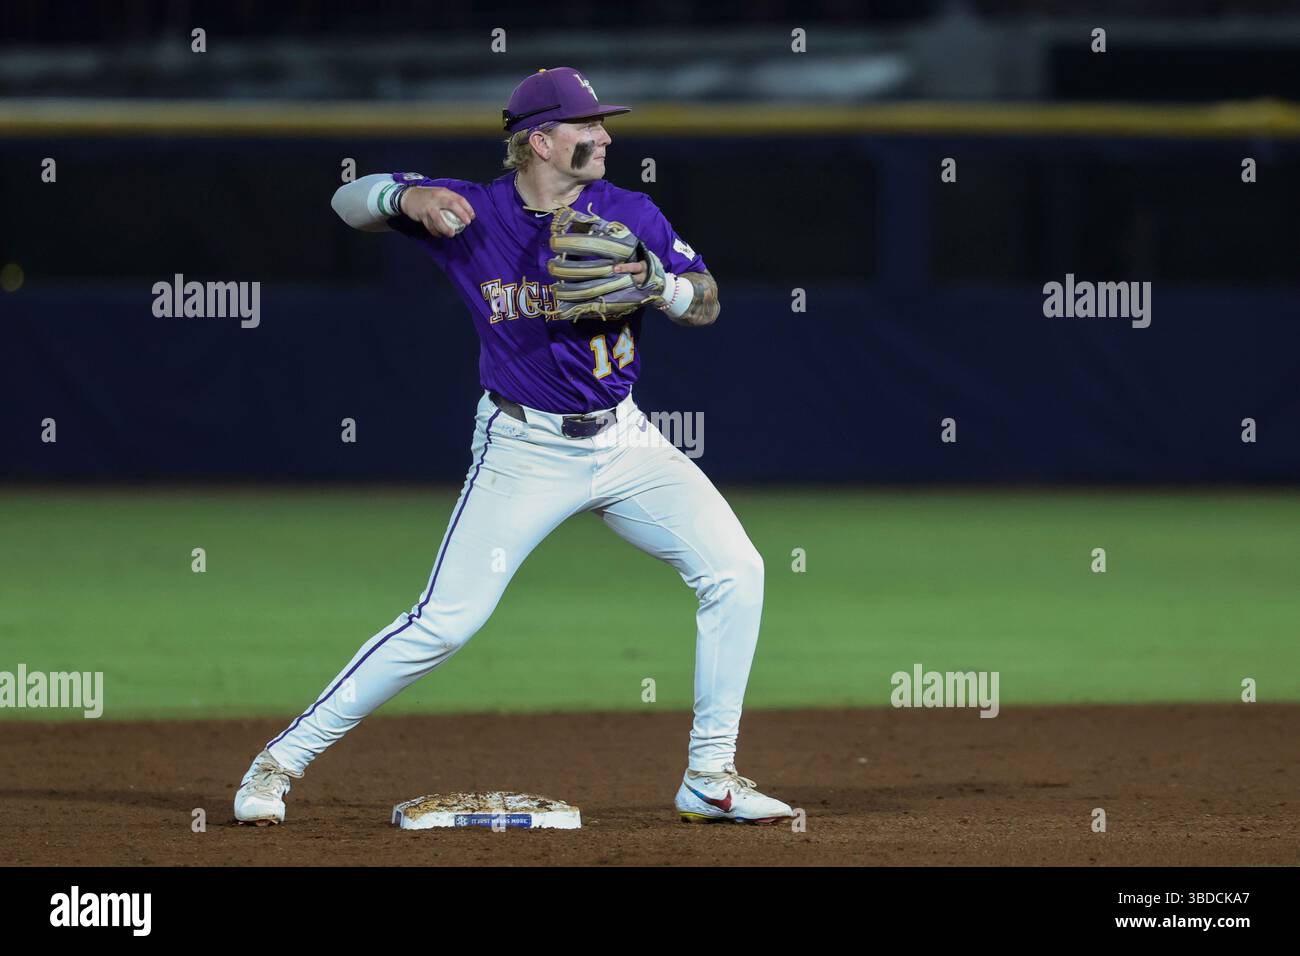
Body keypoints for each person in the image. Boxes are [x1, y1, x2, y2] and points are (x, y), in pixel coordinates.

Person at [234, 67, 793, 826]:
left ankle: (710, 777)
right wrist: (408, 196)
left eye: (603, 123)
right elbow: (345, 200)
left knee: (737, 571)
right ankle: (278, 762)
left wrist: (660, 284)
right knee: (445, 622)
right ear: (539, 141)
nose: (605, 136)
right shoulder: (473, 213)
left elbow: (709, 302)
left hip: (625, 441)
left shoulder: (630, 211)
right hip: (523, 448)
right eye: (587, 126)